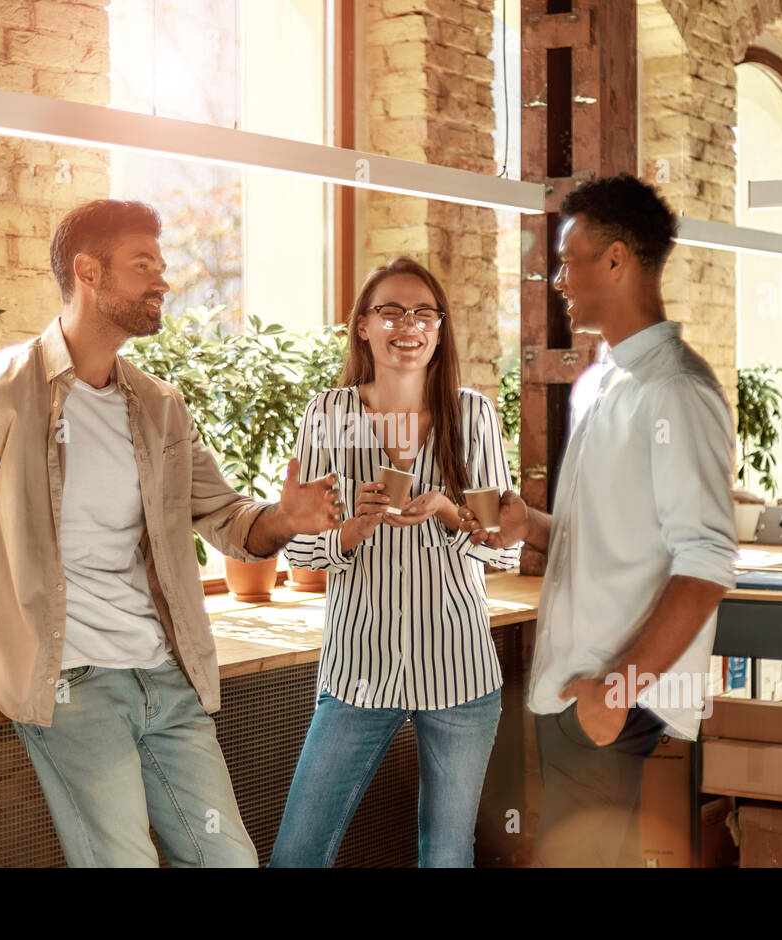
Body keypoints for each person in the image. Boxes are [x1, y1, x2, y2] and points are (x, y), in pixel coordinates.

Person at [0, 199, 343, 867]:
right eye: (144, 264)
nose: (163, 280)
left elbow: (226, 518)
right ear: (89, 271)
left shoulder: (160, 406)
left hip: (166, 680)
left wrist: (289, 519)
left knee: (230, 860)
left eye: (163, 265)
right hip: (70, 686)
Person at [461, 174, 737, 867]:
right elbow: (614, 537)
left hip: (607, 693)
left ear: (615, 260)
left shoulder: (677, 391)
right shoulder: (605, 382)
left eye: (567, 259)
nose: (556, 279)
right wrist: (534, 525)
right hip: (575, 690)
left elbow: (704, 565)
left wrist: (614, 693)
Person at [269, 256, 521, 868]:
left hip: (458, 671)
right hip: (359, 669)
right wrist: (350, 532)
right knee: (297, 853)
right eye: (390, 311)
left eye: (423, 313)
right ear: (362, 326)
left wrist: (446, 513)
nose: (408, 324)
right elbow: (297, 544)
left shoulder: (473, 416)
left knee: (446, 856)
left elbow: (502, 543)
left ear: (439, 330)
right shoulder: (328, 415)